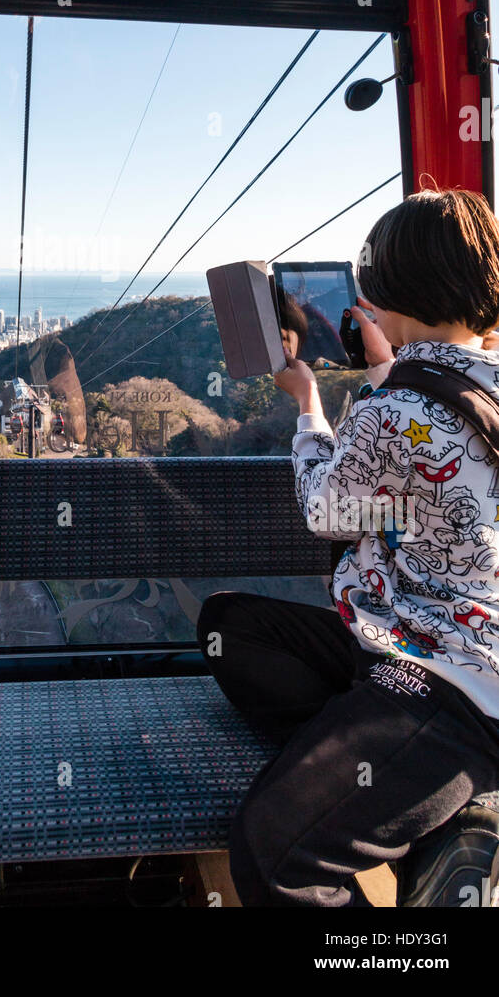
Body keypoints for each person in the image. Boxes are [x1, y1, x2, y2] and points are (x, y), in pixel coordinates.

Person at [198, 188, 499, 907]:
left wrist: (308, 404)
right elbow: (419, 458)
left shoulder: (395, 408)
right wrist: (382, 371)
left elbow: (327, 509)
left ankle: (438, 787)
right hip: (422, 640)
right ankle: (420, 791)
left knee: (276, 855)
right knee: (231, 626)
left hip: (446, 680)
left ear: (388, 287)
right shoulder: (445, 387)